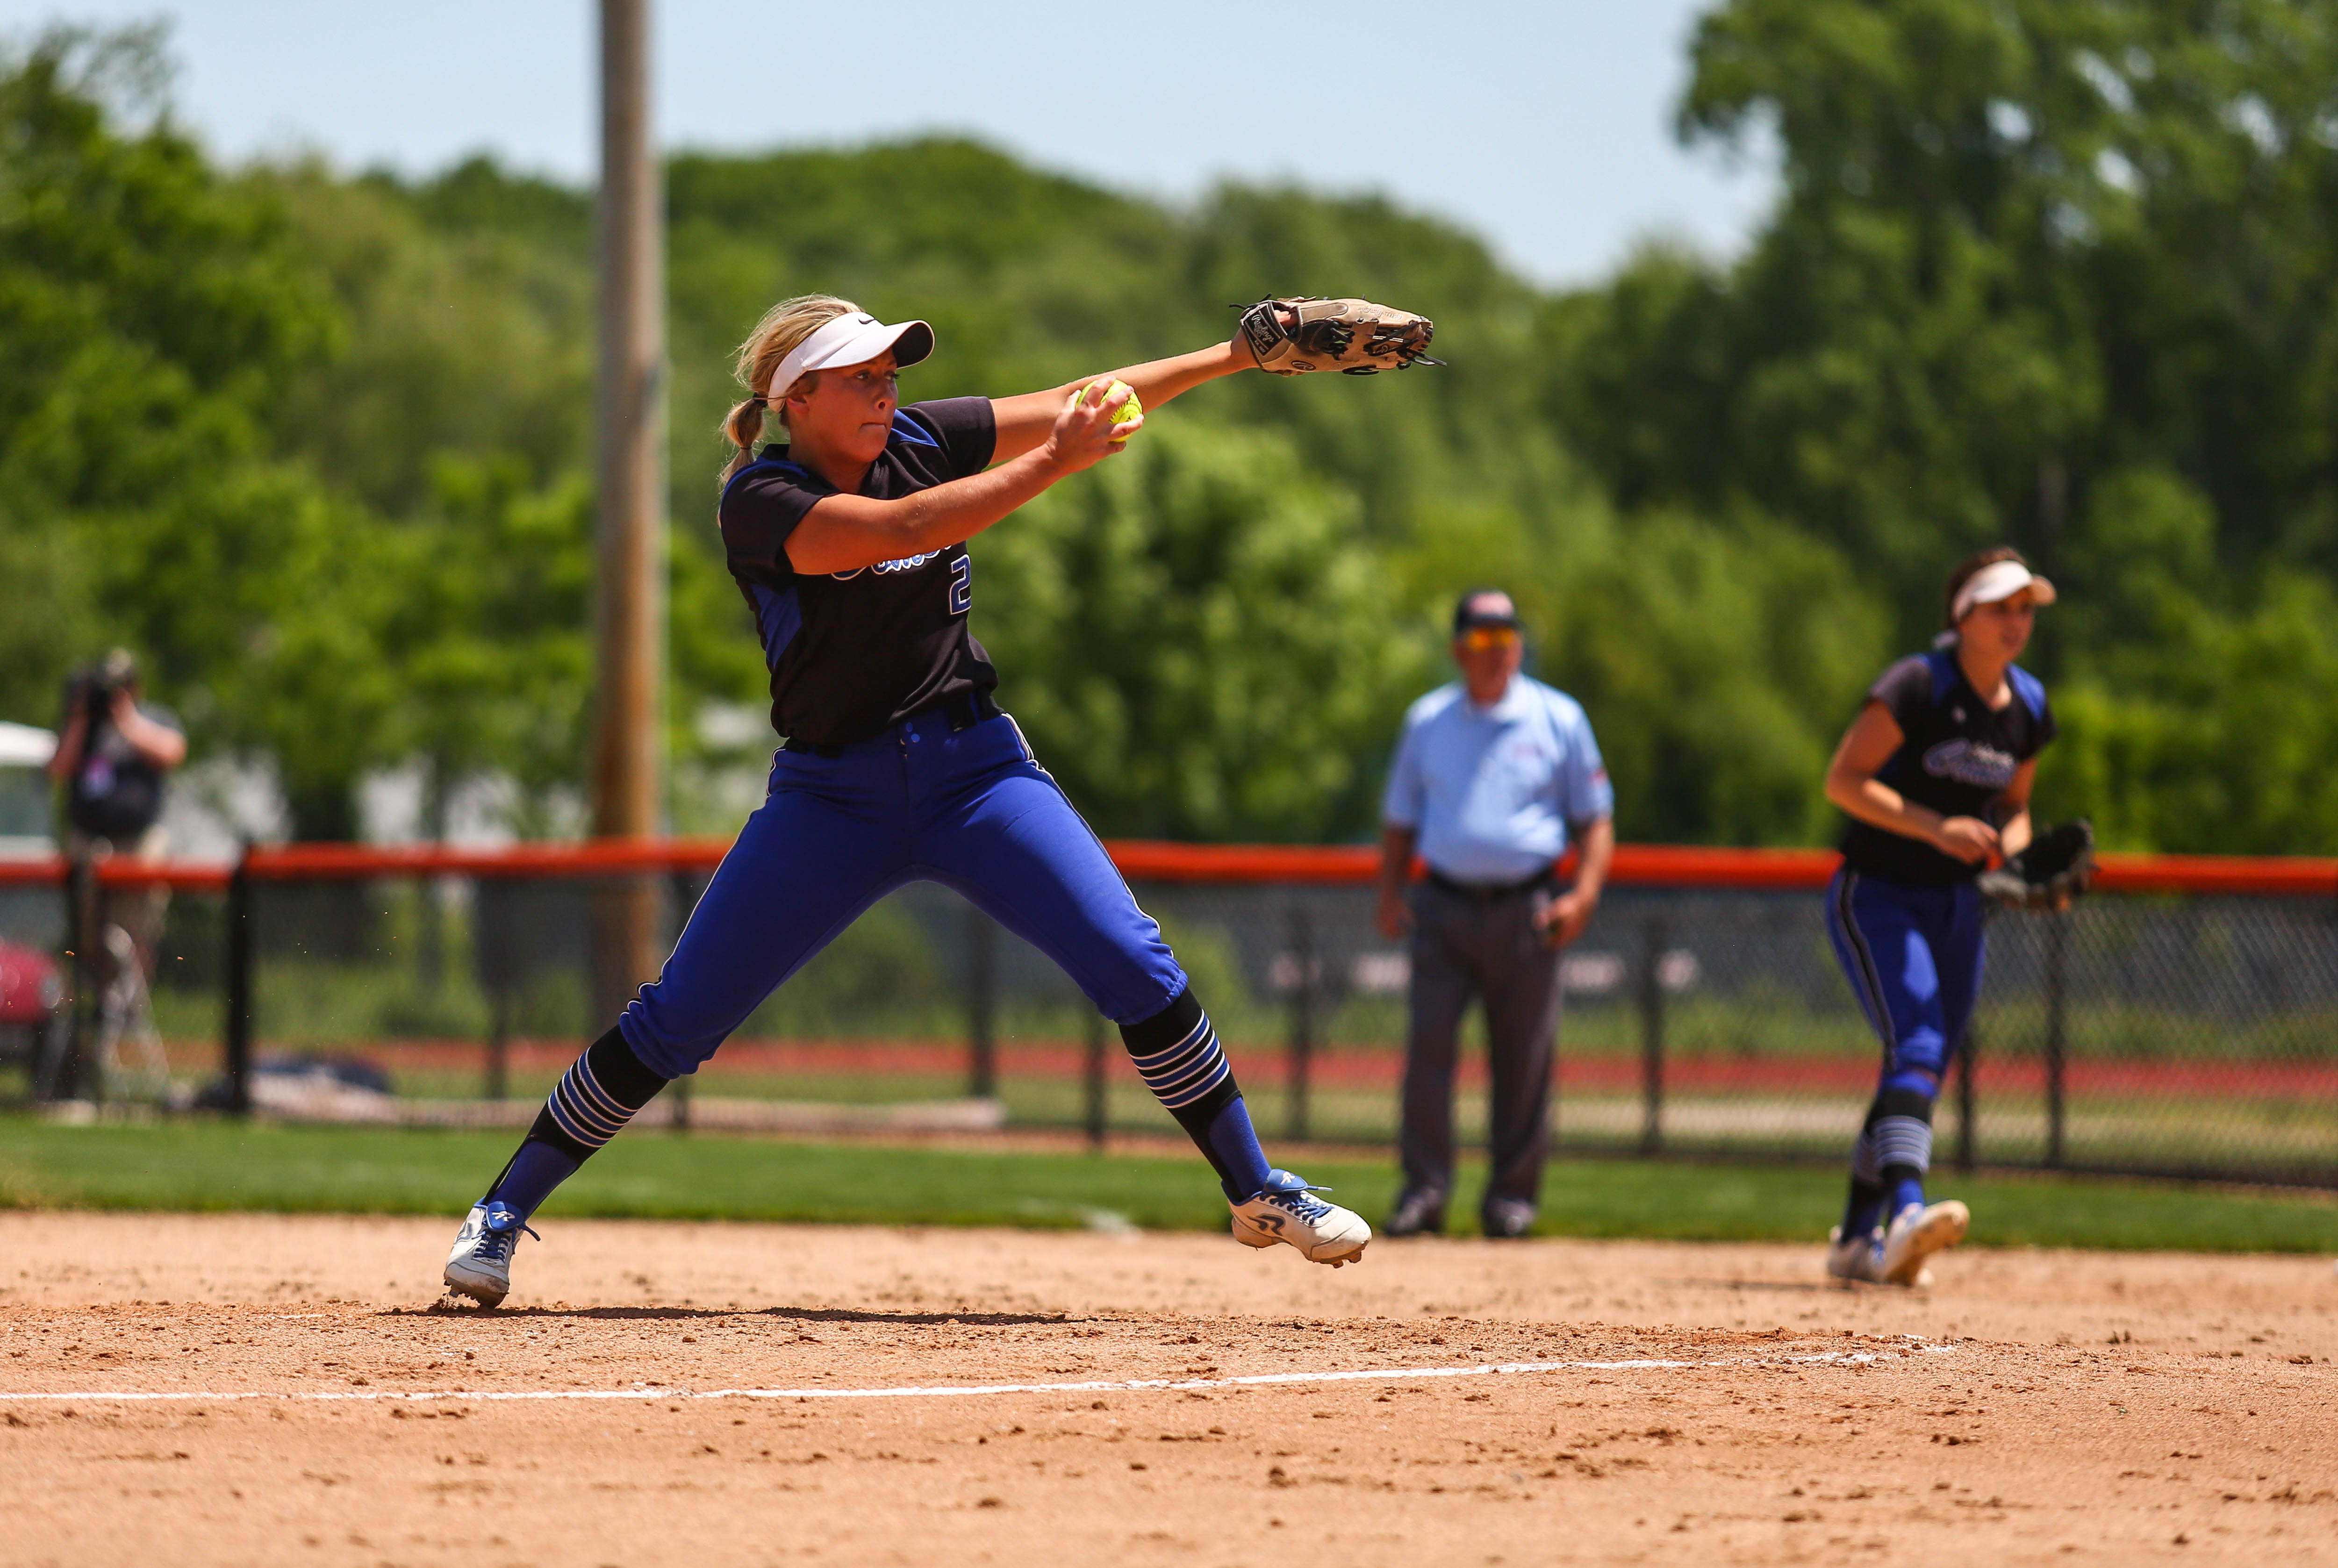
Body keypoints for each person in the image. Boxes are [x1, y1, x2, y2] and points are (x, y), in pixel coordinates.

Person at [444, 295, 1386, 1305]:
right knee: (679, 1019)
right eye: (862, 375)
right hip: (829, 796)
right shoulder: (758, 498)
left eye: (891, 370)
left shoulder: (920, 435)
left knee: (1133, 961)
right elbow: (900, 527)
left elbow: (1079, 400)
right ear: (796, 398)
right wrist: (1053, 464)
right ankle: (501, 1210)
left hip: (974, 772)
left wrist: (1234, 355)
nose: (886, 388)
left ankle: (1255, 1190)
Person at [1820, 547, 2059, 1287]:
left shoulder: (2026, 704)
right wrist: (1935, 827)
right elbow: (1844, 781)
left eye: (2025, 608)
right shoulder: (1919, 682)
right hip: (1880, 891)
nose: (2016, 621)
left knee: (1918, 1063)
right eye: (2001, 607)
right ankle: (1905, 1213)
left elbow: (2013, 807)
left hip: (1959, 904)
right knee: (1917, 1041)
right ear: (1963, 616)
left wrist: (2017, 862)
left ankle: (1855, 1241)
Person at [1374, 590, 1614, 1239]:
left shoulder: (1556, 716)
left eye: (1505, 636)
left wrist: (1583, 893)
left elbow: (1594, 819)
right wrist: (1389, 892)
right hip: (1443, 905)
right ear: (1458, 649)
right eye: (1481, 638)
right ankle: (1423, 1193)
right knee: (1427, 1054)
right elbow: (1400, 818)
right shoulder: (1428, 720)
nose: (1495, 650)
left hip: (1527, 909)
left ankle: (1511, 1199)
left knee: (1524, 1060)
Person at [48, 649, 186, 987]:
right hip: (89, 841)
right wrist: (80, 716)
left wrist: (127, 721)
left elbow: (173, 752)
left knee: (137, 925)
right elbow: (58, 768)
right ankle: (91, 998)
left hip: (136, 840)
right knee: (89, 928)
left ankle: (132, 999)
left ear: (134, 687)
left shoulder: (153, 718)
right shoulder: (83, 727)